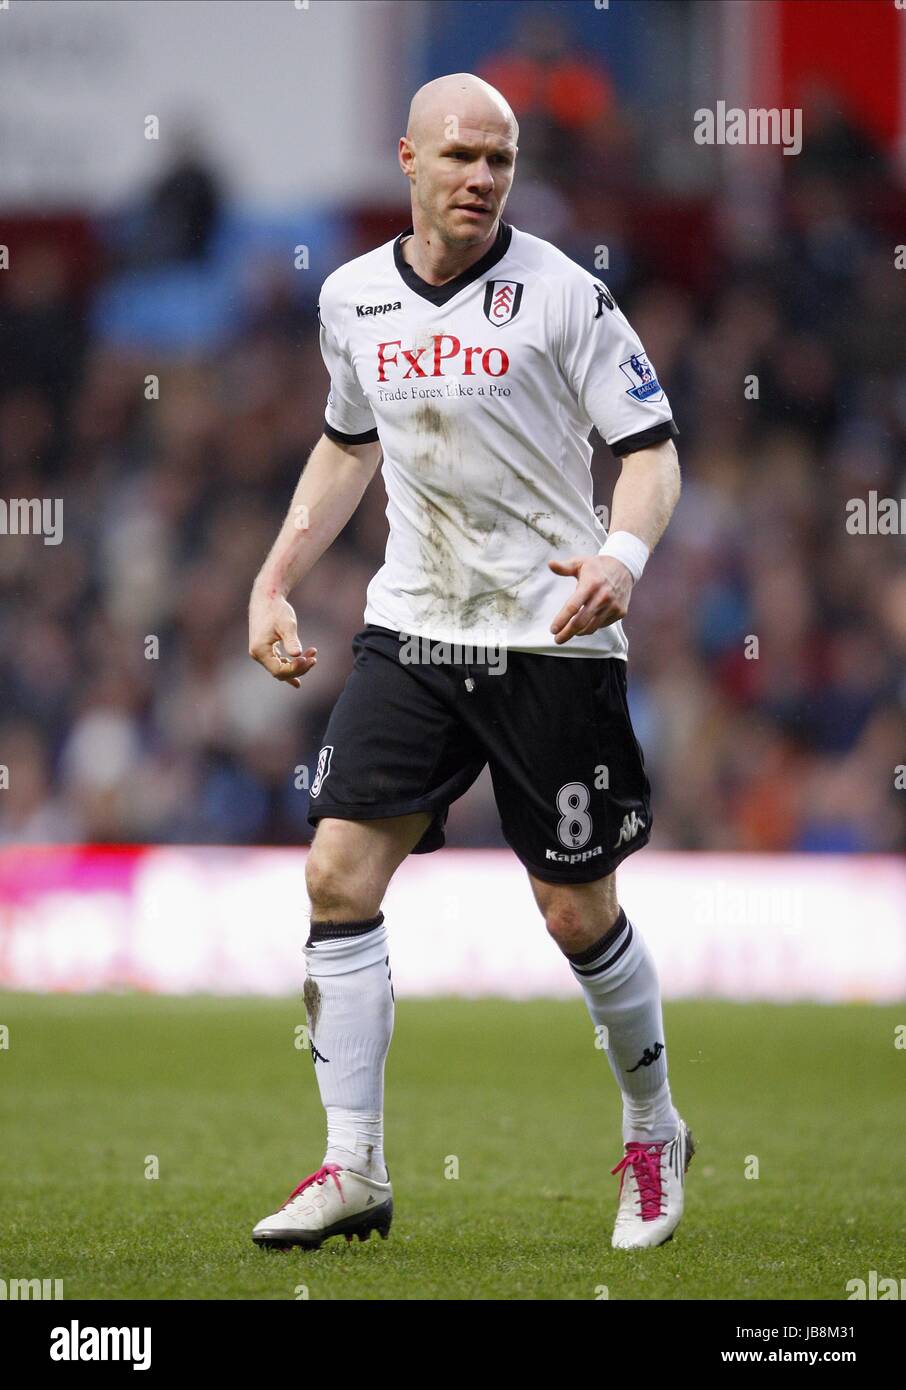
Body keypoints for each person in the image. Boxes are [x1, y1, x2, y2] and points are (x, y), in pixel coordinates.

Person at [247, 73, 691, 1253]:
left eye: (498, 160)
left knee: (573, 911)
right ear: (406, 159)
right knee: (339, 876)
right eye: (458, 157)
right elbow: (348, 447)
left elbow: (651, 452)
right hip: (415, 628)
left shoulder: (564, 295)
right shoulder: (351, 300)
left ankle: (655, 1131)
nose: (481, 179)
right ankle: (354, 1168)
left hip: (552, 636)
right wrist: (274, 576)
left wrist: (623, 555)